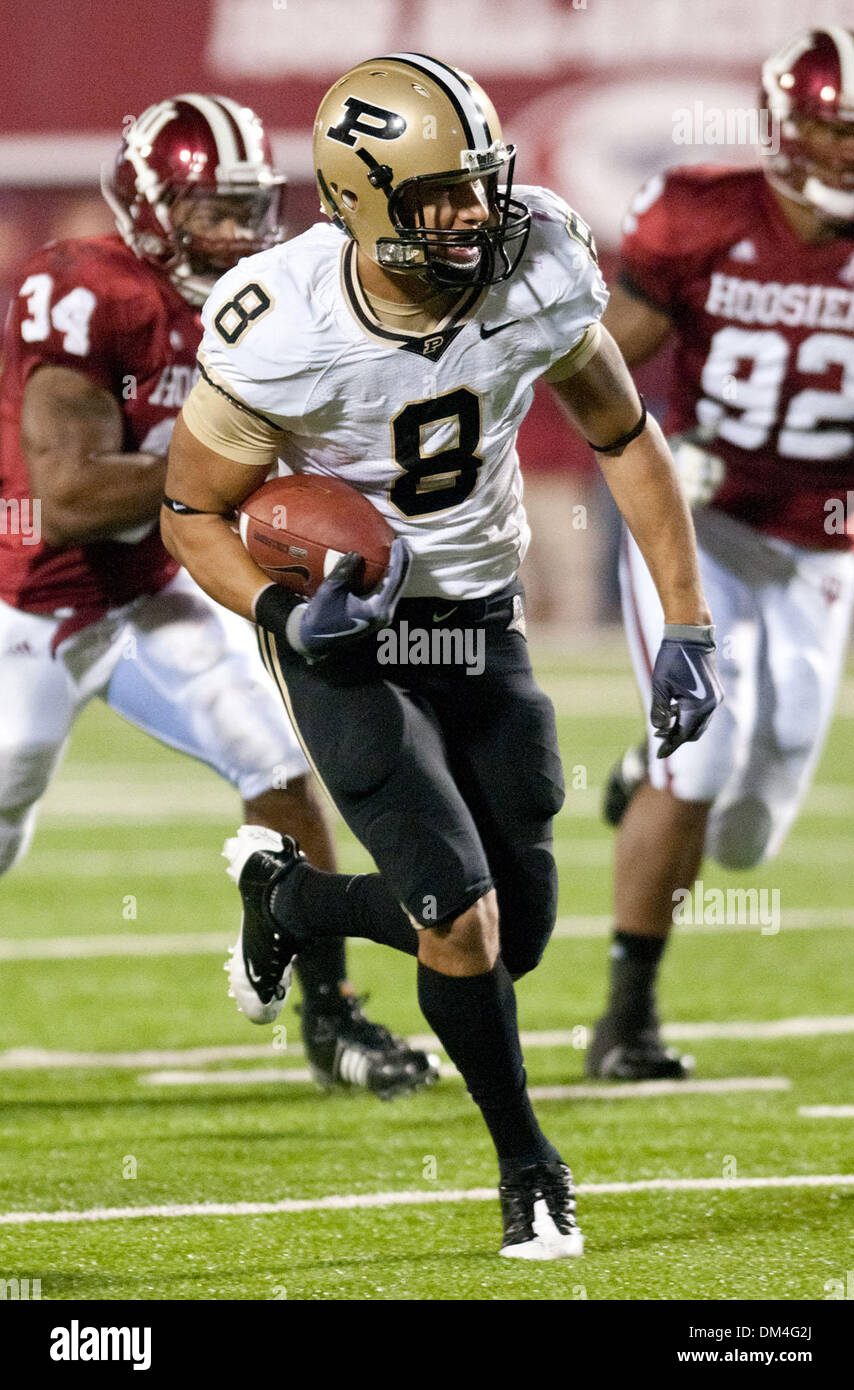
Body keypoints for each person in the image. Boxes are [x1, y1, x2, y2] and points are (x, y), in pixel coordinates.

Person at [161, 52, 721, 1259]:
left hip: (477, 617)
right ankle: (530, 1168)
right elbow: (190, 511)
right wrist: (275, 612)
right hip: (342, 634)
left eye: (481, 183)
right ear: (363, 199)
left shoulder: (539, 263)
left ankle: (291, 897)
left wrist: (684, 619)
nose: (475, 213)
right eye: (440, 195)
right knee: (457, 916)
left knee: (512, 934)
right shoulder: (281, 321)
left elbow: (623, 432)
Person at [0, 92, 434, 1099]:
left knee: (280, 762)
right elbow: (65, 499)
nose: (238, 233)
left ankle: (332, 1016)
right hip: (26, 598)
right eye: (212, 210)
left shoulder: (283, 297)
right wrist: (224, 471)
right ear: (150, 207)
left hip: (154, 590)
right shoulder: (85, 289)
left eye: (250, 208)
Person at [588, 26, 854, 1081]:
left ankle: (634, 769)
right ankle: (625, 1021)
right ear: (786, 129)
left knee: (752, 823)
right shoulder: (699, 212)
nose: (849, 153)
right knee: (700, 753)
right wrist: (655, 450)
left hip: (820, 543)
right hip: (697, 530)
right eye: (836, 132)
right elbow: (604, 363)